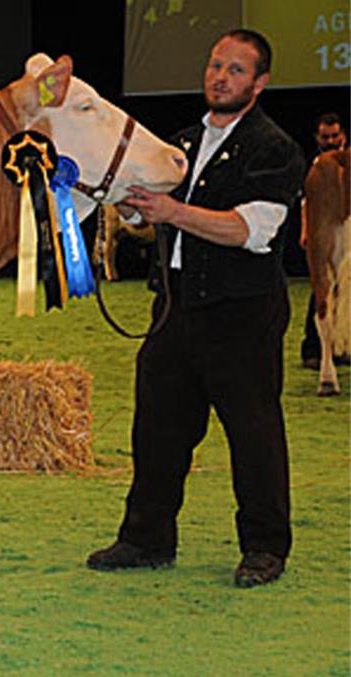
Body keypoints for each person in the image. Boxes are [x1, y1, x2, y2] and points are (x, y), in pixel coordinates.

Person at [86, 29, 306, 588]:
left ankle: (264, 547)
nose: (220, 77)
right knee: (156, 431)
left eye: (235, 70)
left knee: (253, 435)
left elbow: (249, 231)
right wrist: (139, 216)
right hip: (175, 309)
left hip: (242, 314)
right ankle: (146, 538)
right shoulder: (178, 144)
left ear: (259, 84)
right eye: (215, 66)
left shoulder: (274, 148)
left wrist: (171, 210)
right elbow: (151, 226)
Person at [299, 112, 347, 369]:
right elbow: (306, 201)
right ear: (318, 138)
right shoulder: (316, 165)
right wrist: (306, 230)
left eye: (334, 135)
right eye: (325, 136)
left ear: (343, 135)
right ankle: (313, 350)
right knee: (322, 289)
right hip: (326, 233)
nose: (330, 140)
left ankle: (341, 348)